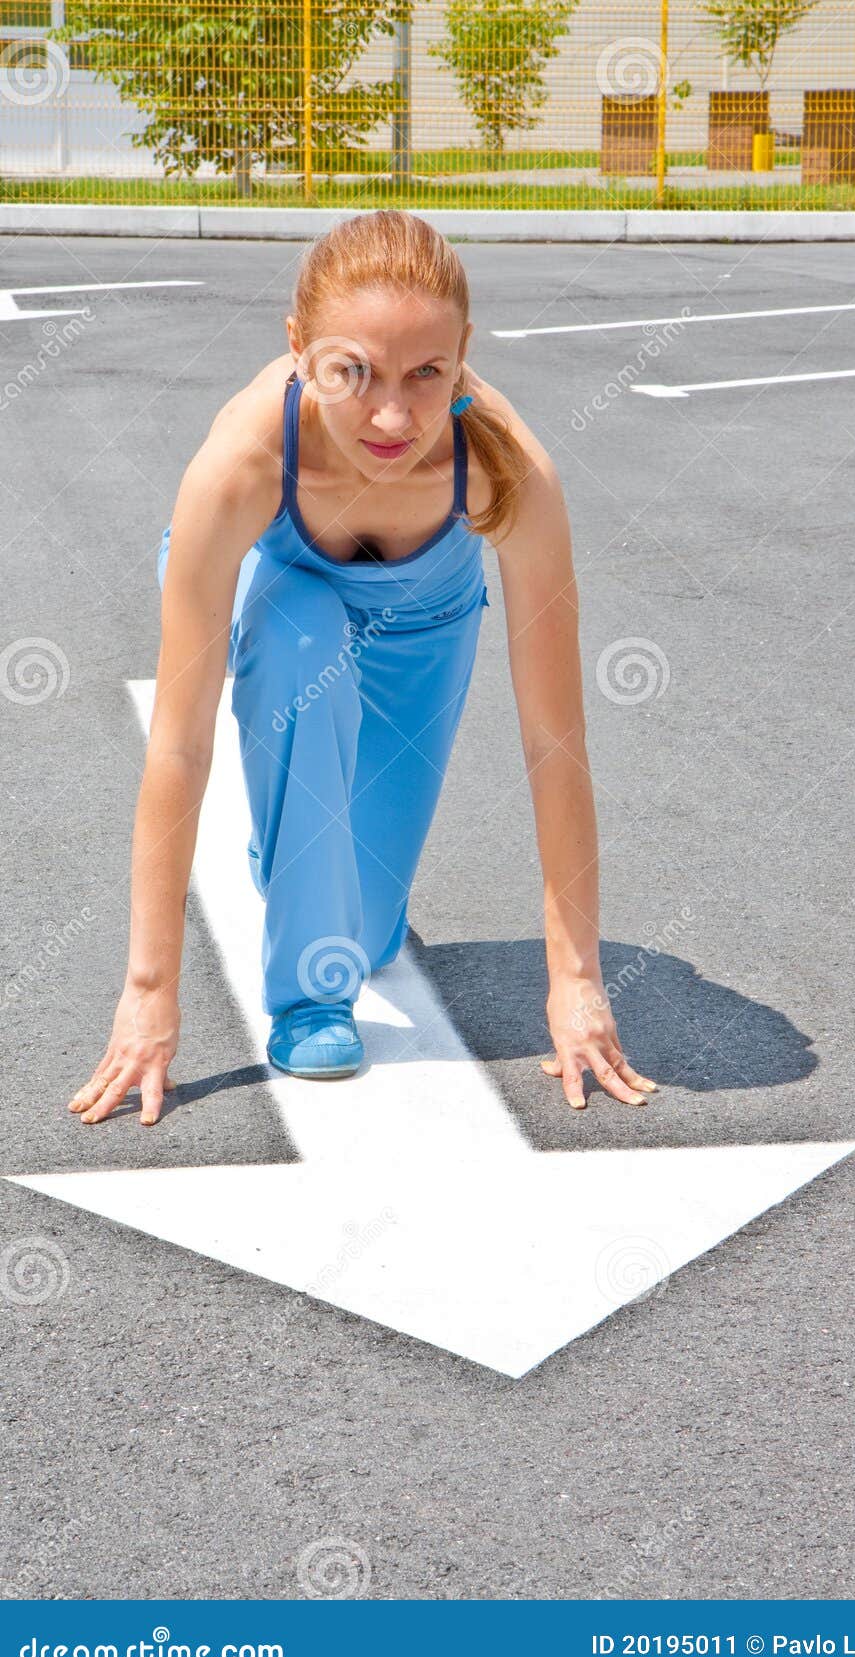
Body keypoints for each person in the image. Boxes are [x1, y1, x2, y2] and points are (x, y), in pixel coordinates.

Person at [67, 209, 658, 1124]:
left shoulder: (507, 472)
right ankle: (309, 1000)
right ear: (298, 348)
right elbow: (178, 747)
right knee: (304, 641)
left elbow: (553, 738)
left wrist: (576, 979)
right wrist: (148, 991)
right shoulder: (244, 461)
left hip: (425, 621)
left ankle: (296, 852)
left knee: (369, 929)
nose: (392, 415)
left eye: (427, 372)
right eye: (353, 372)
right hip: (280, 591)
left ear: (464, 352)